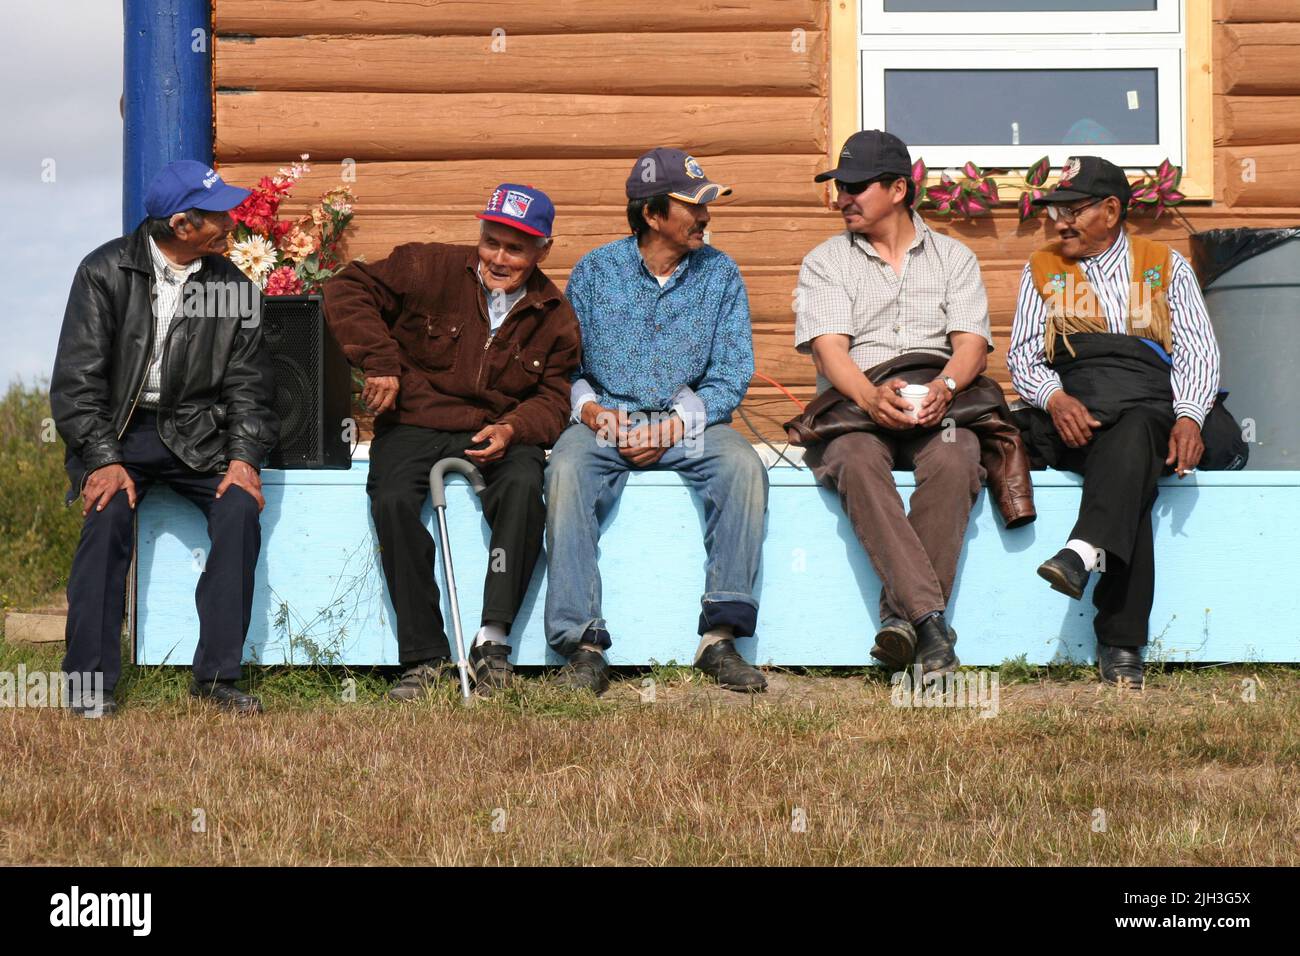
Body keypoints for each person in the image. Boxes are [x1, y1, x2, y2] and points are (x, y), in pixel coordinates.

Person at [324, 184, 581, 699]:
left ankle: (492, 642)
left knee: (524, 490)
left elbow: (555, 397)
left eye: (516, 248)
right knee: (393, 500)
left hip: (498, 427)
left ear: (543, 250)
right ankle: (425, 659)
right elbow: (346, 288)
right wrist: (380, 363)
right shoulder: (429, 266)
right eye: (491, 242)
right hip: (416, 420)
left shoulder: (555, 315)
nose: (499, 258)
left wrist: (514, 428)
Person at [51, 160, 278, 716]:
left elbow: (253, 388)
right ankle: (90, 686)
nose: (231, 221)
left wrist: (244, 459)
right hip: (119, 433)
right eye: (218, 213)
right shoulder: (103, 272)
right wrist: (102, 459)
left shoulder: (232, 287)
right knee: (105, 522)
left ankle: (217, 678)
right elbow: (76, 385)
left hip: (199, 435)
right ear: (182, 224)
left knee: (239, 513)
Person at [544, 148, 769, 696]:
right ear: (651, 214)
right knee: (566, 471)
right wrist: (595, 414)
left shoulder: (721, 274)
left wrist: (673, 426)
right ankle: (583, 644)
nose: (705, 217)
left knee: (743, 468)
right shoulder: (596, 270)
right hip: (605, 420)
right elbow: (564, 366)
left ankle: (719, 638)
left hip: (688, 421)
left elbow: (732, 373)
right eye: (692, 206)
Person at [1007, 155, 1221, 688]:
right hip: (1075, 416)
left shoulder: (1163, 264)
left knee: (1132, 438)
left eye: (1073, 209)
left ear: (1110, 209)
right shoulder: (1043, 269)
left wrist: (1191, 417)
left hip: (1154, 408)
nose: (1060, 222)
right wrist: (1055, 399)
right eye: (1056, 210)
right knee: (1130, 452)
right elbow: (1024, 357)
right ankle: (1121, 642)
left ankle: (1081, 553)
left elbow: (1198, 352)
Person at [794, 130, 998, 676]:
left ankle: (901, 622)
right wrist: (868, 395)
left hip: (939, 405)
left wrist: (945, 390)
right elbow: (829, 351)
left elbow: (971, 345)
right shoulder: (825, 261)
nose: (843, 199)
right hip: (856, 406)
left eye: (856, 187)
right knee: (856, 459)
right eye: (840, 187)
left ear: (899, 189)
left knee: (958, 456)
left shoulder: (954, 256)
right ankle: (932, 627)